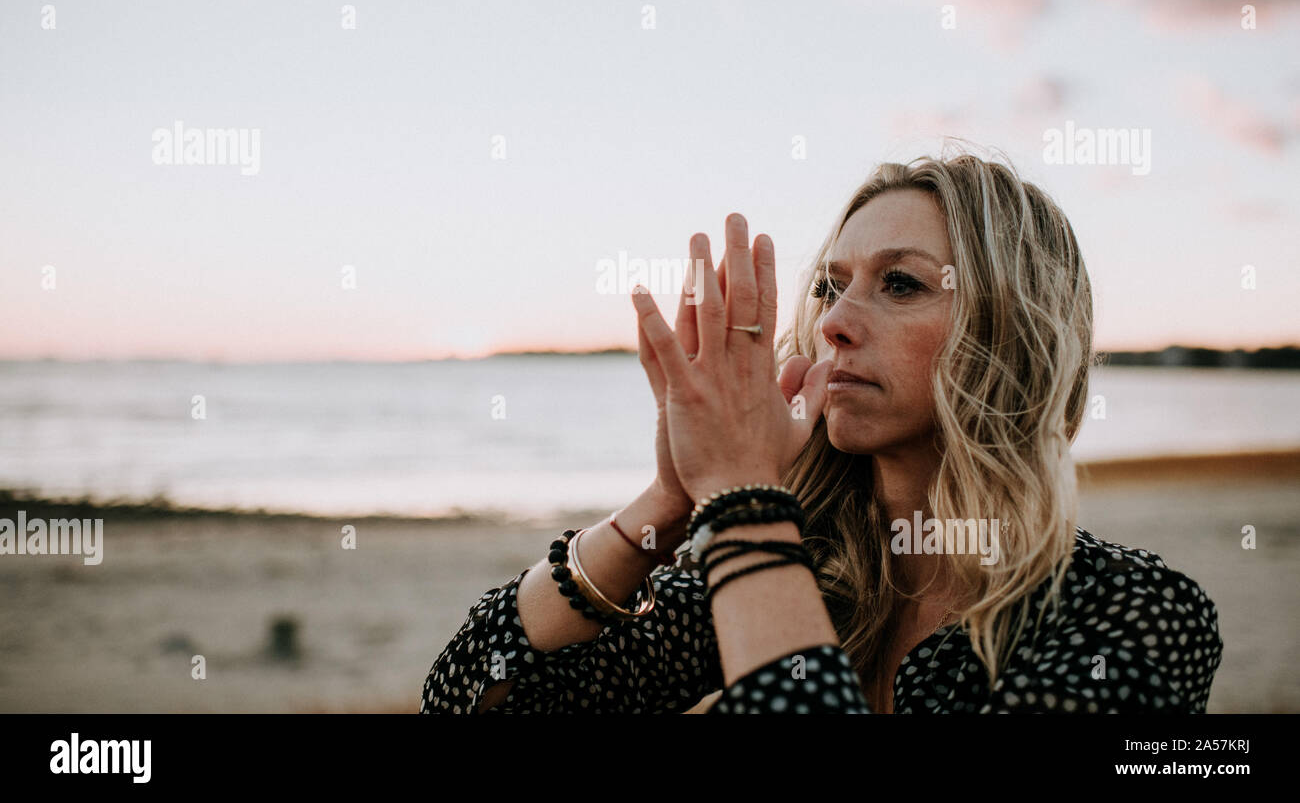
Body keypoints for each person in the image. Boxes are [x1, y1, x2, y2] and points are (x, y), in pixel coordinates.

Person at [419, 152, 1223, 714]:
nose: (833, 321)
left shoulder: (1134, 613)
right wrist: (665, 505)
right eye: (833, 287)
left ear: (1011, 333)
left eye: (899, 283)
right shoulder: (815, 569)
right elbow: (472, 694)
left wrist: (743, 498)